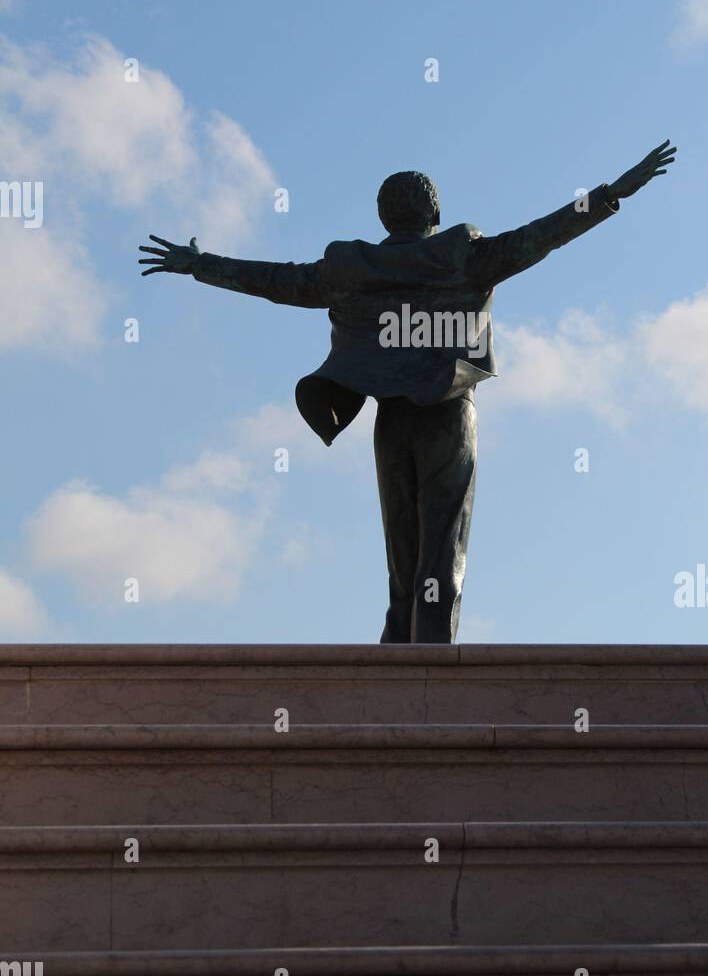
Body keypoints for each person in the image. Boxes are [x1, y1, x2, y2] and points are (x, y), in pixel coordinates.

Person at [139, 140, 676, 642]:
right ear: (434, 214)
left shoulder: (350, 268)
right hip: (447, 411)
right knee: (442, 546)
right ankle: (430, 670)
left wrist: (201, 266)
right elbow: (546, 234)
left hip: (391, 419)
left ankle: (397, 660)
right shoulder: (465, 255)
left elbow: (278, 281)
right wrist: (610, 195)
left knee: (402, 547)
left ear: (384, 218)